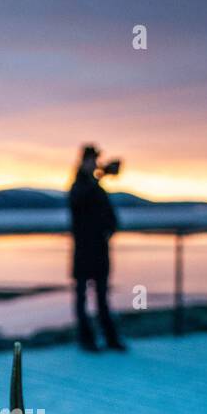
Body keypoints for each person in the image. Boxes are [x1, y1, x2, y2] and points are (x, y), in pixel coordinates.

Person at [68, 144, 125, 352]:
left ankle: (110, 338)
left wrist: (109, 230)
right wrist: (98, 177)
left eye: (95, 160)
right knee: (82, 298)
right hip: (84, 252)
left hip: (99, 251)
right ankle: (86, 339)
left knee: (102, 298)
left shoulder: (97, 189)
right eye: (91, 160)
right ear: (83, 161)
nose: (94, 164)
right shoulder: (79, 186)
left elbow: (111, 218)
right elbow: (78, 201)